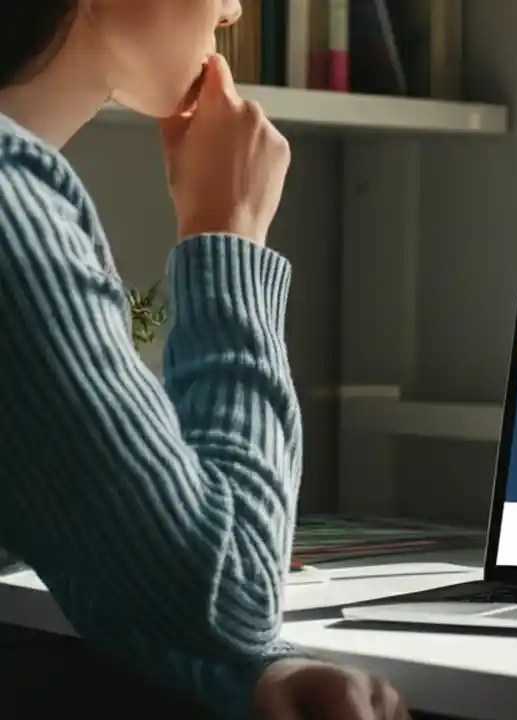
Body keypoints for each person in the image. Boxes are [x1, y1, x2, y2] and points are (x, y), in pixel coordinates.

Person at [0, 2, 409, 718]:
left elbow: (111, 563)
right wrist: (229, 233)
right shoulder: (12, 209)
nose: (230, 10)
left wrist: (243, 677)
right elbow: (233, 587)